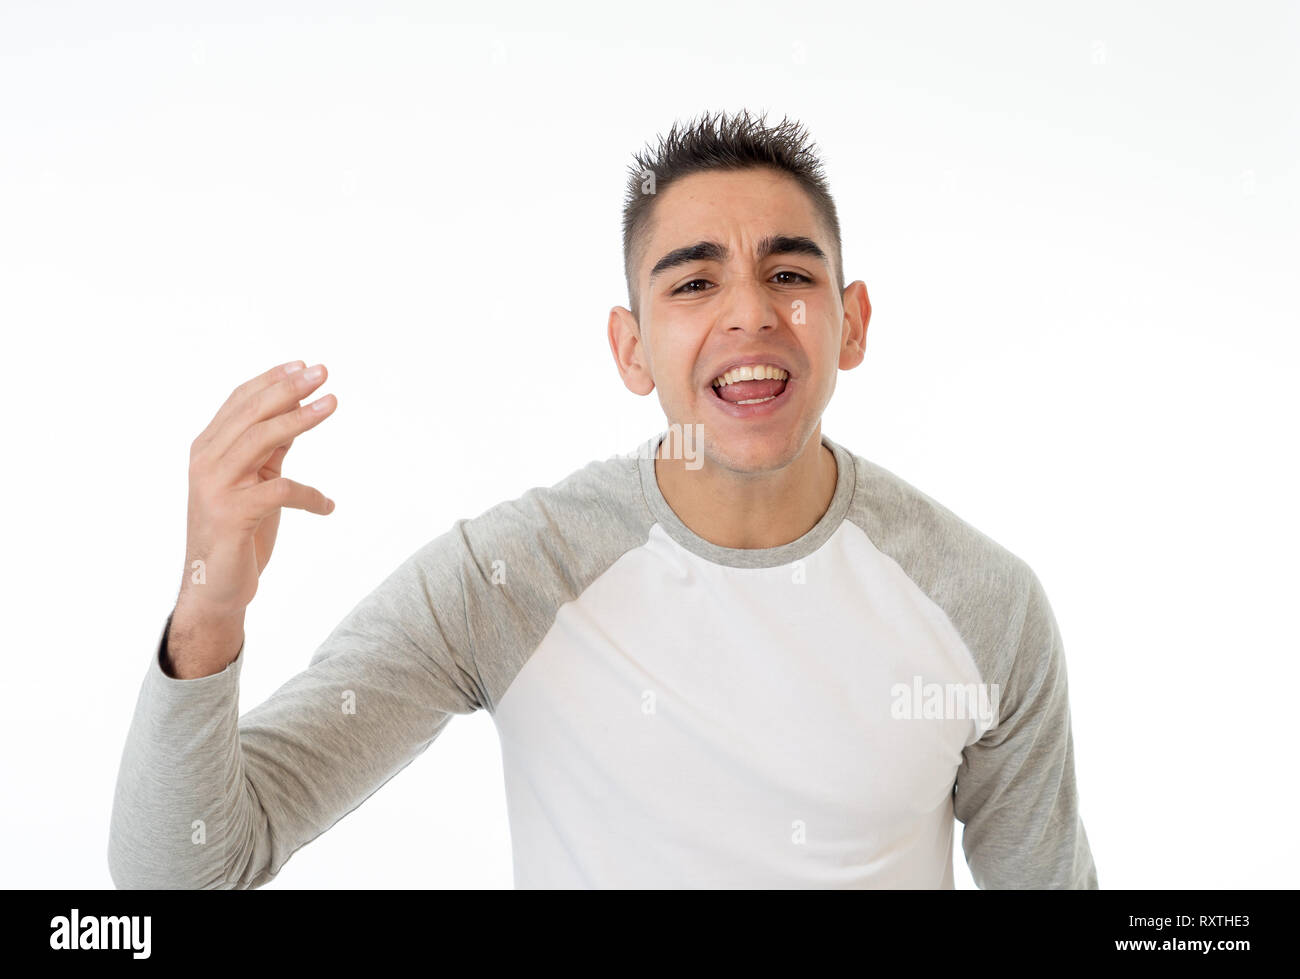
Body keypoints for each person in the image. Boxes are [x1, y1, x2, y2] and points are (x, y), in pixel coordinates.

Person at [108, 109, 1098, 889]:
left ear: (852, 321)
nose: (750, 312)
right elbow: (184, 869)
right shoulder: (505, 579)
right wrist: (209, 609)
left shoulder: (984, 604)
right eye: (693, 284)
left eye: (789, 273)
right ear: (631, 350)